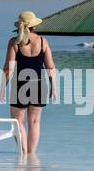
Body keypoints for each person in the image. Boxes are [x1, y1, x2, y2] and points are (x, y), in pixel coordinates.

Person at [4, 11, 56, 154]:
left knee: (17, 121)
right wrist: (54, 88)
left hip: (20, 85)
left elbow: (8, 69)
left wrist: (2, 86)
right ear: (34, 26)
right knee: (34, 122)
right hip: (39, 84)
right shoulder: (43, 41)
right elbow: (51, 68)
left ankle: (23, 154)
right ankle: (31, 156)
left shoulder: (14, 42)